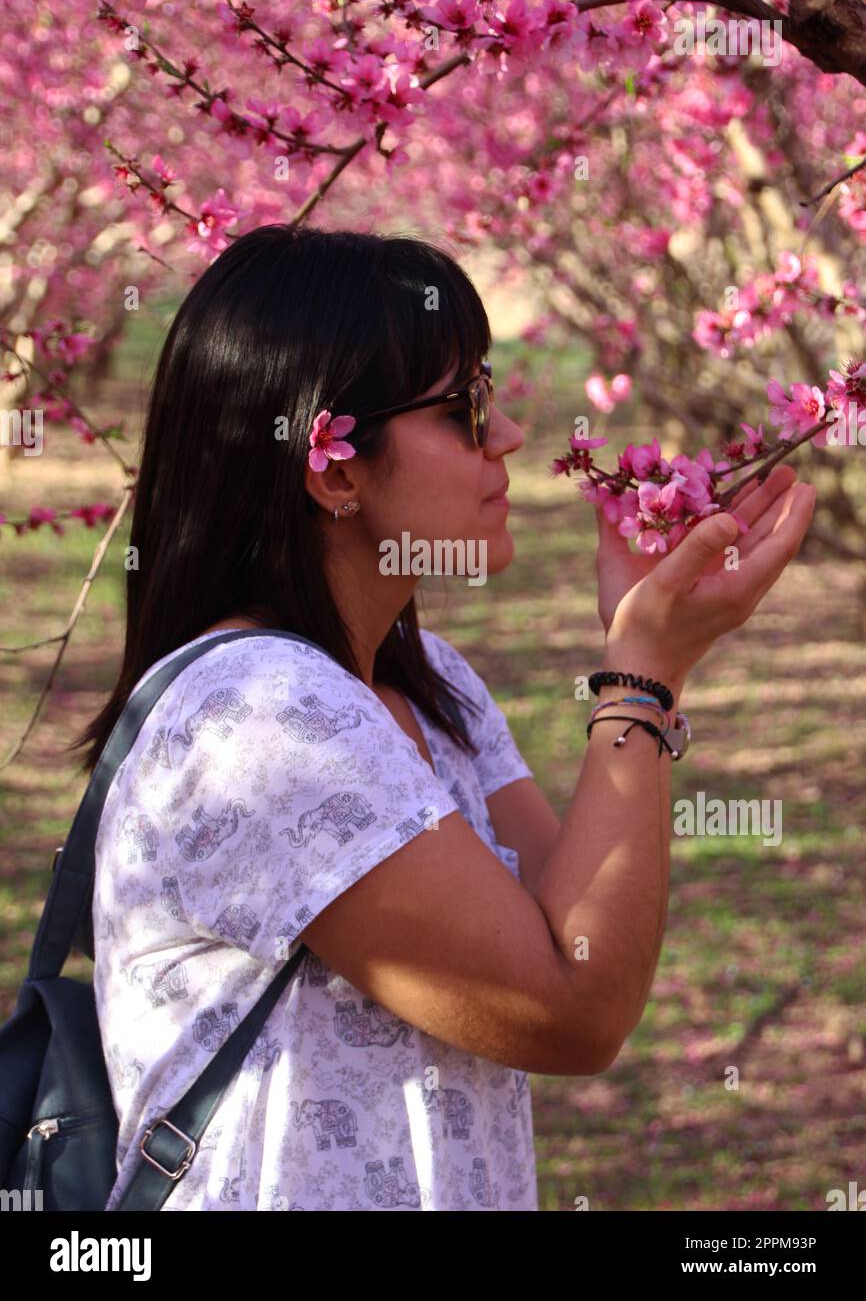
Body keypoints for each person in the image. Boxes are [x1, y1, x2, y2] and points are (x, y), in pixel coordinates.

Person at [72, 224, 817, 1211]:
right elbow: (573, 1014)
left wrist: (642, 661)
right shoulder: (262, 718)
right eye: (464, 408)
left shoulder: (435, 686)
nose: (507, 435)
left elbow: (579, 940)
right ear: (335, 469)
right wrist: (641, 678)